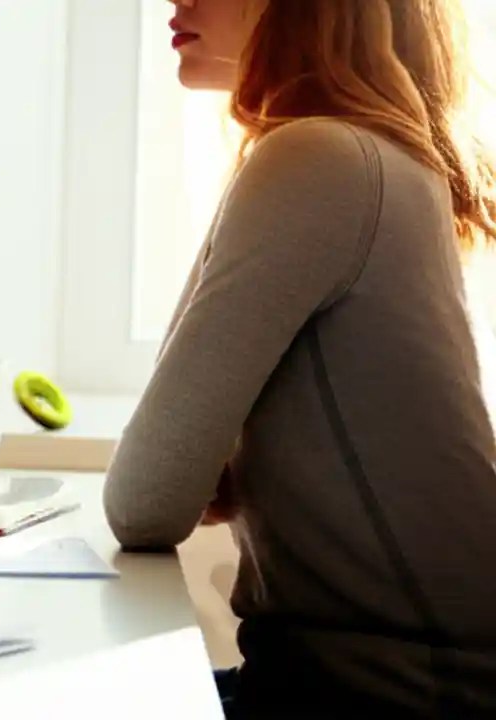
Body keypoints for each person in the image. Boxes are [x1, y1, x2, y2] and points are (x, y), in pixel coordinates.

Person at [103, 0, 496, 717]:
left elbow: (146, 501)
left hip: (380, 696)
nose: (175, 0)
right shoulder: (378, 157)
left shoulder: (321, 159)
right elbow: (184, 477)